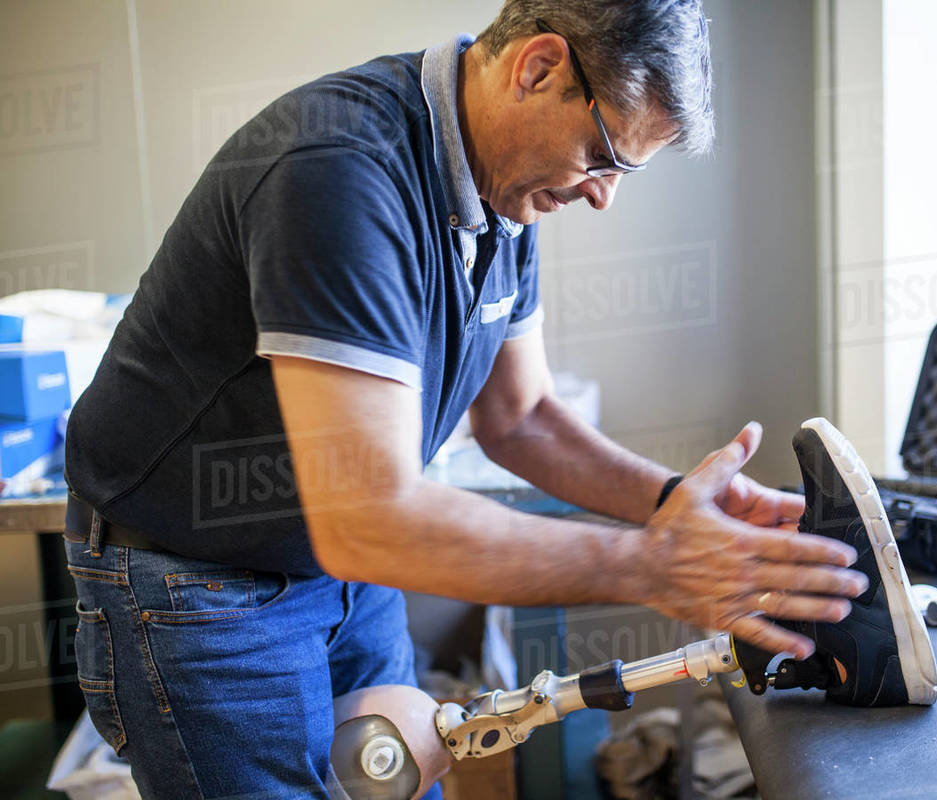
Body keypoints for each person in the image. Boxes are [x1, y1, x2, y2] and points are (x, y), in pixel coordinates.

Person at [61, 1, 869, 797]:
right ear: (540, 66)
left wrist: (677, 507)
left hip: (335, 566)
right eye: (603, 154)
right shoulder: (337, 168)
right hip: (198, 582)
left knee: (397, 786)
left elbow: (522, 419)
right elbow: (369, 517)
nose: (602, 194)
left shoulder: (506, 190)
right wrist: (652, 567)